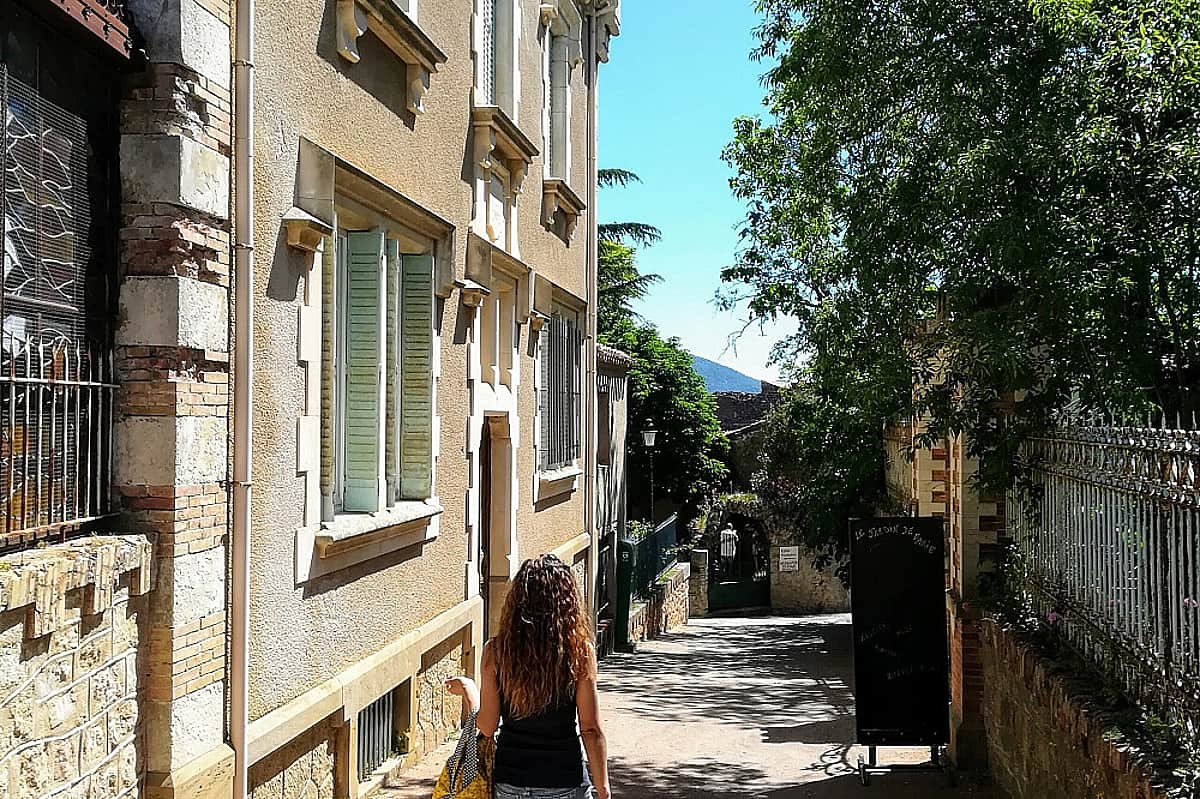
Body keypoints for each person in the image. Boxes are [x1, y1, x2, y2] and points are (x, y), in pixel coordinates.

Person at [446, 554, 609, 799]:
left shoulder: (497, 652)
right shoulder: (578, 652)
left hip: (511, 781)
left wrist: (470, 692)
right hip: (564, 779)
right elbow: (590, 728)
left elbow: (488, 726)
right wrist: (603, 787)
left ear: (517, 602)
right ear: (567, 603)